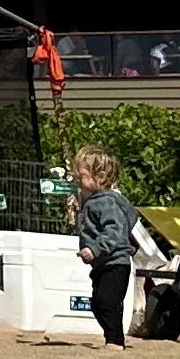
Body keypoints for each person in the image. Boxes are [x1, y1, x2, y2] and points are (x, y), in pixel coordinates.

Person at [70, 146, 139, 348]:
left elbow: (115, 232)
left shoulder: (107, 202)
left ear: (99, 177)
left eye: (82, 176)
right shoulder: (93, 201)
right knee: (98, 303)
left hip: (115, 262)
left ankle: (115, 341)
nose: (77, 179)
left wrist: (95, 248)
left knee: (107, 302)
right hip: (103, 264)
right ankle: (113, 337)